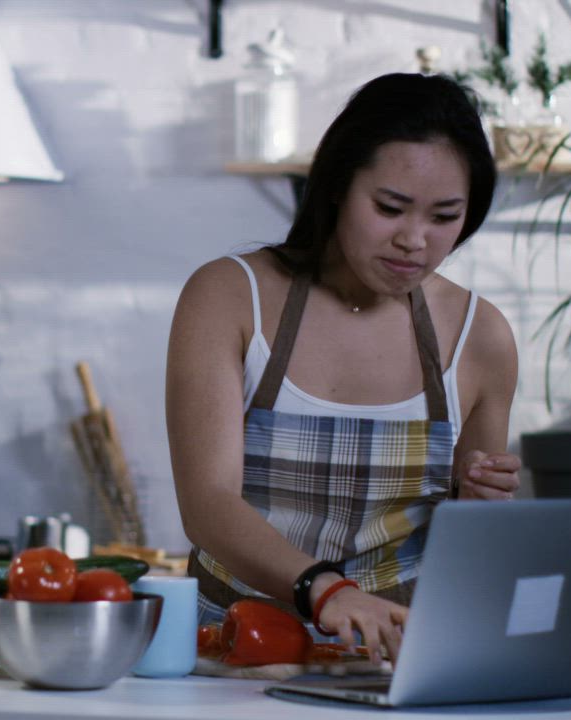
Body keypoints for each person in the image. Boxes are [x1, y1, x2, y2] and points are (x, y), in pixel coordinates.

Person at [165, 73, 522, 667]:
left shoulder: (479, 336)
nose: (414, 240)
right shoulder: (229, 296)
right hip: (233, 646)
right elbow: (207, 503)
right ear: (336, 186)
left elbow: (470, 546)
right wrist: (326, 591)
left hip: (396, 656)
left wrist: (478, 502)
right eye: (389, 208)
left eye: (444, 216)